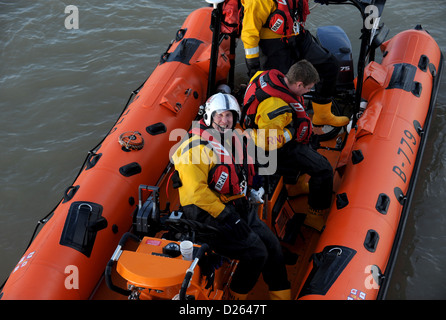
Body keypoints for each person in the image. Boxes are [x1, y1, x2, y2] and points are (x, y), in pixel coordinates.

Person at [171, 92, 291, 300]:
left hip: (237, 206)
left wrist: (252, 188)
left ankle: (281, 295)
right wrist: (229, 217)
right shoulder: (194, 150)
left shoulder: (234, 137)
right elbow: (195, 194)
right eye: (220, 116)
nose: (225, 121)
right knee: (256, 253)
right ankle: (234, 298)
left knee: (272, 246)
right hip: (208, 216)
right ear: (209, 117)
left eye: (229, 116)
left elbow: (244, 165)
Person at [242, 60, 333, 231]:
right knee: (323, 169)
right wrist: (292, 132)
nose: (308, 92)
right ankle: (315, 215)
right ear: (299, 84)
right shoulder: (276, 109)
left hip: (262, 130)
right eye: (308, 88)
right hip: (269, 148)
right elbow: (267, 142)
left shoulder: (266, 76)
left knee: (310, 141)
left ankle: (297, 186)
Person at [240, 0, 349, 127]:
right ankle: (286, 125)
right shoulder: (258, 2)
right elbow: (249, 34)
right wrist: (253, 66)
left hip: (297, 35)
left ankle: (322, 115)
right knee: (282, 88)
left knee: (329, 65)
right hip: (272, 44)